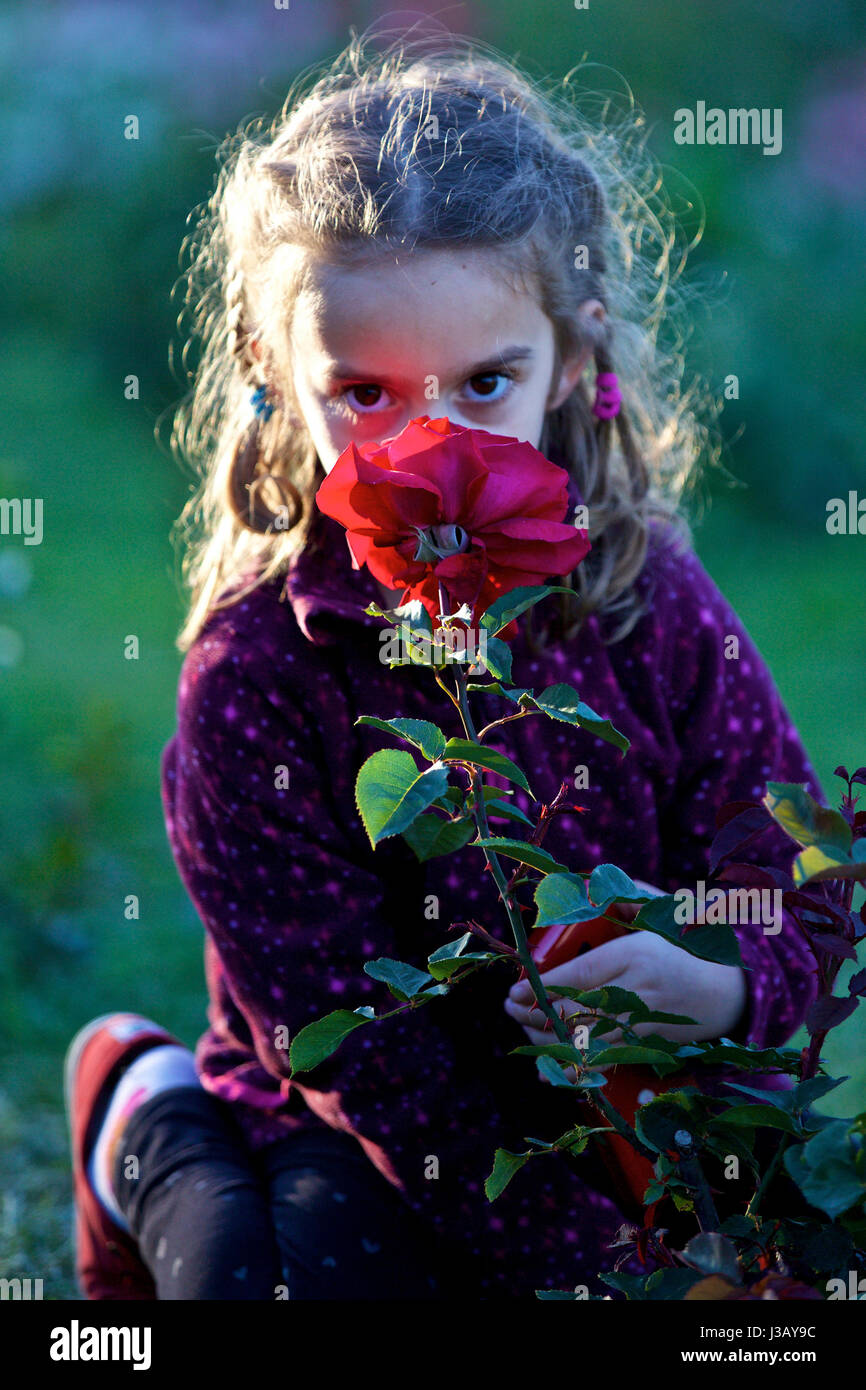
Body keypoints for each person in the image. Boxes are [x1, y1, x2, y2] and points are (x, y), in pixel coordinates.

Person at [65, 30, 824, 1300]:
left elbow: (789, 872)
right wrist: (595, 1274)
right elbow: (365, 1061)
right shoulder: (261, 672)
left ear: (574, 360)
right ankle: (143, 1118)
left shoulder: (644, 599)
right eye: (364, 394)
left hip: (634, 1111)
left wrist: (714, 985)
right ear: (274, 379)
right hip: (367, 1123)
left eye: (483, 382)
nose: (432, 451)